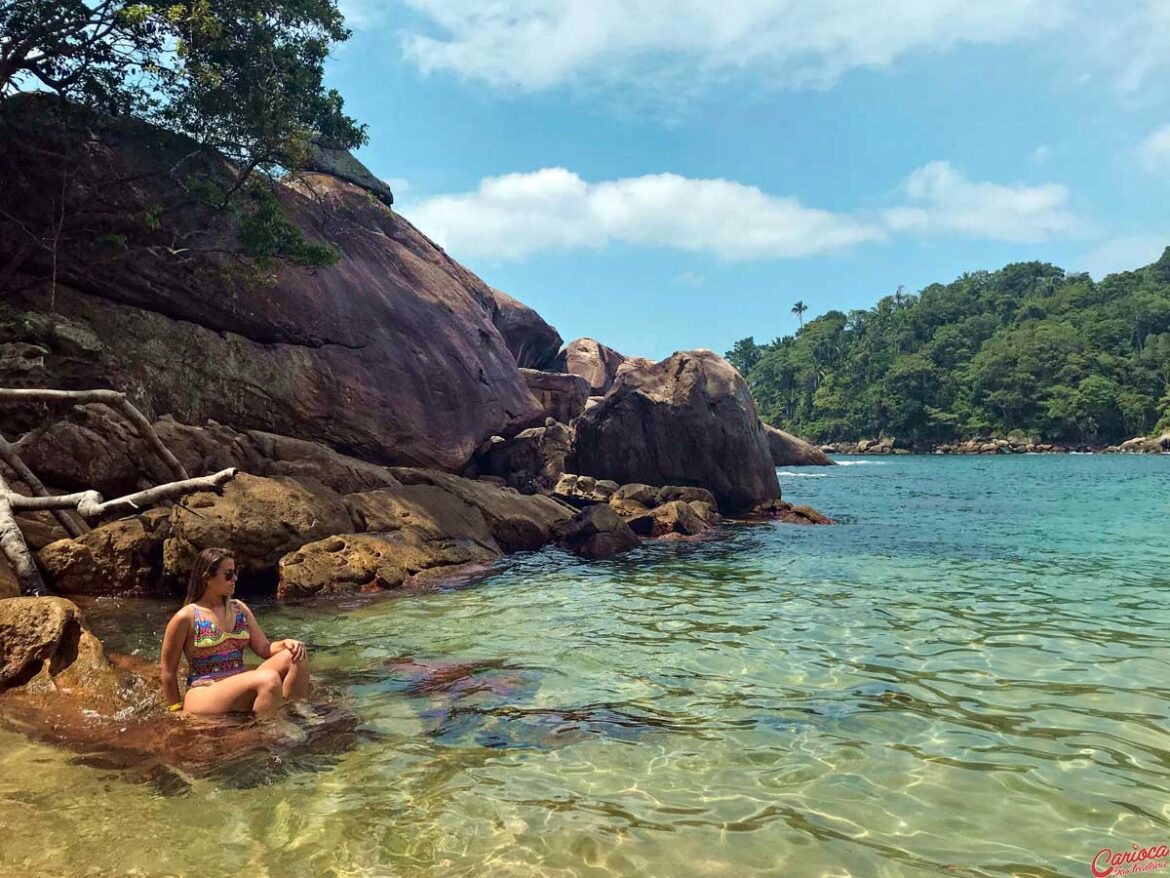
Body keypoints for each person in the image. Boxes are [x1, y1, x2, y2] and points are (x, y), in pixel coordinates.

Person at [160, 547, 310, 716]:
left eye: (235, 572)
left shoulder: (240, 609)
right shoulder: (186, 617)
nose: (235, 579)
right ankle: (271, 729)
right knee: (269, 678)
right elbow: (168, 671)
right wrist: (175, 709)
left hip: (238, 680)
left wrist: (285, 644)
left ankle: (298, 711)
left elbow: (264, 648)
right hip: (204, 691)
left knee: (297, 654)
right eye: (229, 574)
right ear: (207, 578)